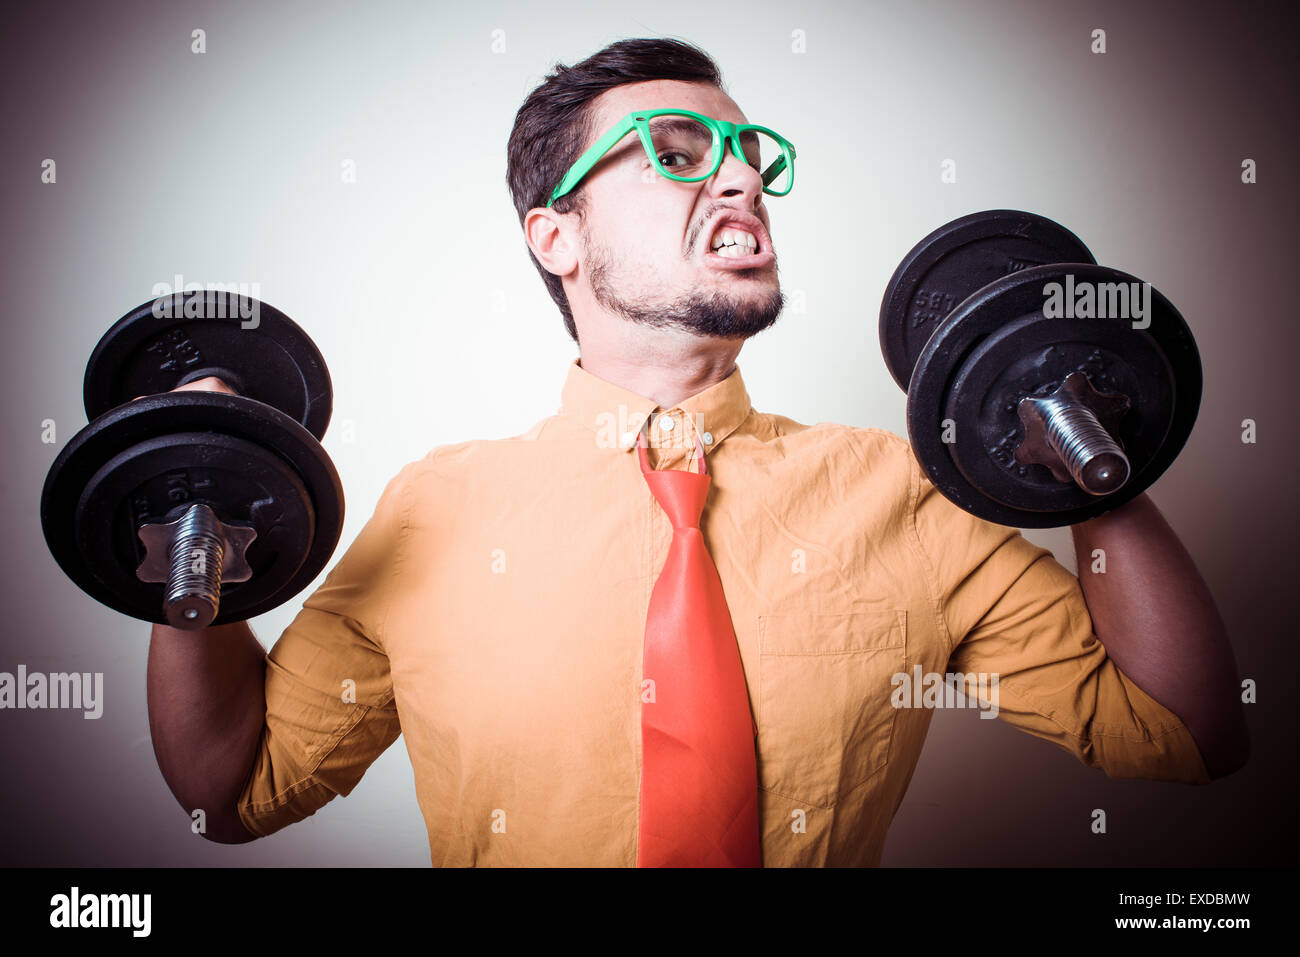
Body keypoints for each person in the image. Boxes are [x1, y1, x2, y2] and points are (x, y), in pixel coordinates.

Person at [147, 37, 1249, 866]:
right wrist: (192, 475)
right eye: (677, 155)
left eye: (749, 158)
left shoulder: (906, 493)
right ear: (556, 235)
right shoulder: (435, 510)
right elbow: (232, 787)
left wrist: (1063, 423)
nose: (740, 182)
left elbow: (1181, 731)